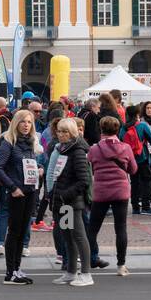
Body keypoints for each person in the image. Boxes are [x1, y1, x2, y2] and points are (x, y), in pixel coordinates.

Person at [0, 110, 42, 285]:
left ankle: (17, 269)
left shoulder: (31, 143)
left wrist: (39, 169)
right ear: (16, 123)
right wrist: (12, 187)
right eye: (23, 122)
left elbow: (31, 164)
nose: (26, 125)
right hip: (16, 193)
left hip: (30, 191)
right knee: (14, 232)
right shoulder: (8, 143)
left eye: (29, 122)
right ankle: (10, 272)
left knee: (23, 232)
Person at [86, 115, 136, 277]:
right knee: (120, 228)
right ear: (117, 129)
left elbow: (91, 167)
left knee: (92, 229)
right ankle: (121, 265)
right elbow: (133, 169)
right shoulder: (125, 148)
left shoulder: (94, 149)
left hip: (101, 192)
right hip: (121, 191)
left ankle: (88, 259)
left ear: (101, 129)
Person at [49, 117, 94, 287]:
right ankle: (71, 271)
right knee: (67, 236)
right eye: (59, 131)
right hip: (63, 201)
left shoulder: (77, 152)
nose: (61, 134)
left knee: (79, 236)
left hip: (71, 202)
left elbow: (83, 180)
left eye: (65, 131)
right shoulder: (63, 150)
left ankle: (86, 273)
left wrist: (65, 195)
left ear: (72, 133)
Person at [133, 101, 151, 215]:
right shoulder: (141, 122)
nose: (149, 110)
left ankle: (150, 198)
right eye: (148, 108)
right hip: (143, 153)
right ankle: (142, 198)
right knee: (142, 177)